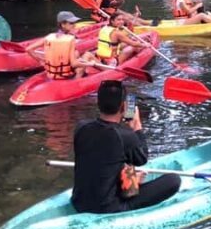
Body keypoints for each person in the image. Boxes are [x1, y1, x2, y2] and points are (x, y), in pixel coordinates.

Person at [71, 81, 181, 214]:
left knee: (121, 165)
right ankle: (129, 190)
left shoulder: (81, 127)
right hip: (109, 208)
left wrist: (133, 179)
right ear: (124, 107)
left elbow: (104, 161)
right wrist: (137, 127)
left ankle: (131, 182)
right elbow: (141, 159)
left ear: (98, 103)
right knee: (174, 180)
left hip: (78, 202)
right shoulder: (125, 136)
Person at [26, 11, 89, 79]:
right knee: (88, 55)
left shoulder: (50, 37)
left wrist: (40, 60)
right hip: (67, 72)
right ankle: (77, 81)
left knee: (80, 55)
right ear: (62, 24)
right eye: (71, 23)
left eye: (74, 23)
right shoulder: (70, 39)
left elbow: (28, 49)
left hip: (56, 71)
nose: (74, 25)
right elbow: (73, 63)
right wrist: (90, 63)